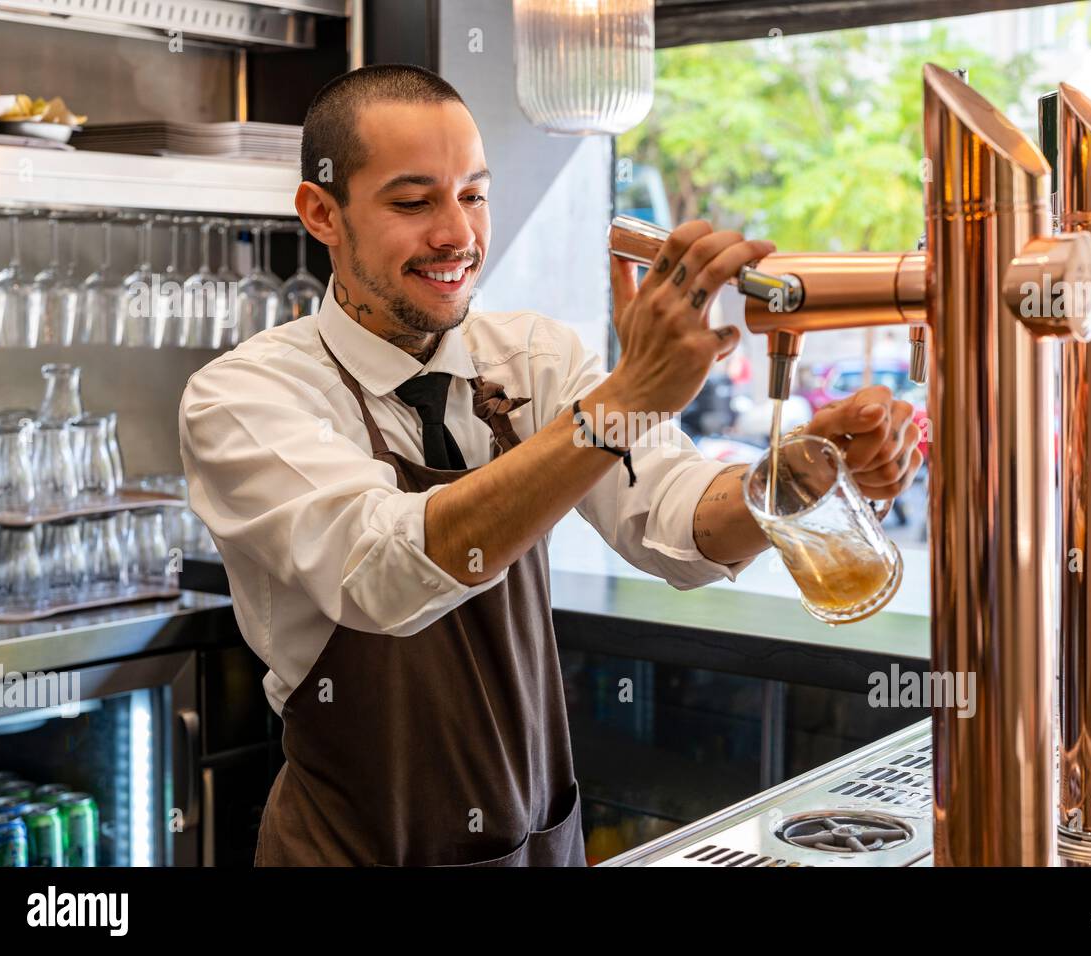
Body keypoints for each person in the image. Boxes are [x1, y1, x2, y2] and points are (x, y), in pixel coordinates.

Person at [178, 64, 922, 867]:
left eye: (474, 194)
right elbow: (383, 570)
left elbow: (669, 517)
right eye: (412, 201)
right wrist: (621, 400)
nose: (458, 235)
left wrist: (795, 482)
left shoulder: (532, 356)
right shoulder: (243, 396)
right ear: (322, 212)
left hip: (533, 844)